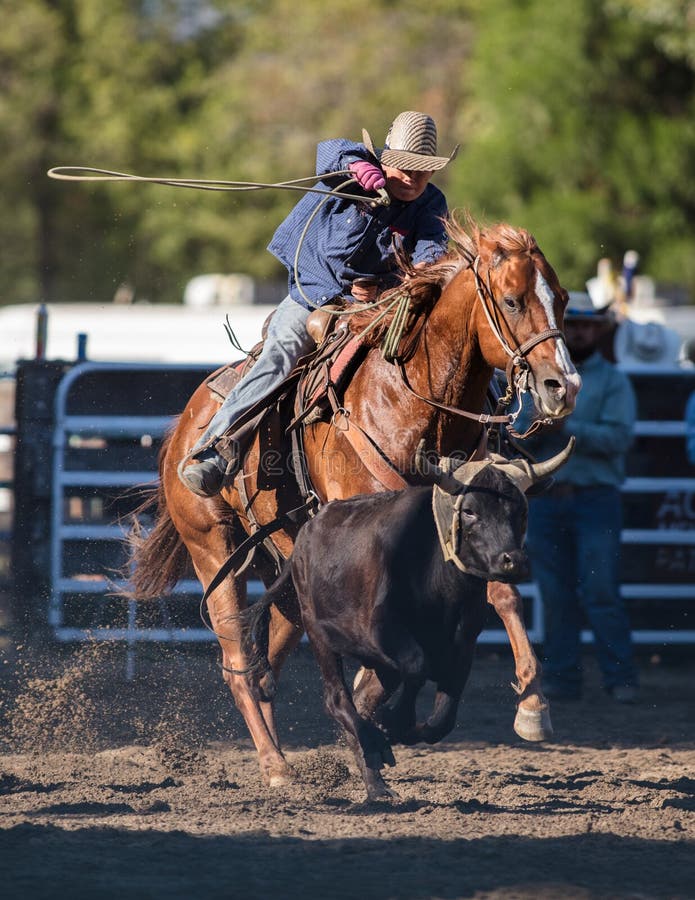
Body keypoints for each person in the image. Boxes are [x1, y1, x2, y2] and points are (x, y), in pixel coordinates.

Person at [180, 111, 459, 497]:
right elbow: (330, 153)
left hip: (385, 305)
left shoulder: (431, 202)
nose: (413, 179)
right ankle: (214, 450)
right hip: (314, 294)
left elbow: (431, 248)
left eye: (423, 171)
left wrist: (413, 278)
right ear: (385, 159)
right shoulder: (351, 170)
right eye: (405, 168)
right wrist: (357, 169)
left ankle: (494, 447)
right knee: (280, 355)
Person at [520, 292, 640, 703]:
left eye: (588, 325)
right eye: (575, 325)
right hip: (554, 499)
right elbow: (518, 433)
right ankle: (583, 677)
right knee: (557, 594)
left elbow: (620, 439)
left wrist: (563, 428)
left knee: (599, 590)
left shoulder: (613, 380)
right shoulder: (591, 380)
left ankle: (611, 675)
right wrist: (537, 427)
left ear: (598, 331)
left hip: (593, 498)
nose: (582, 332)